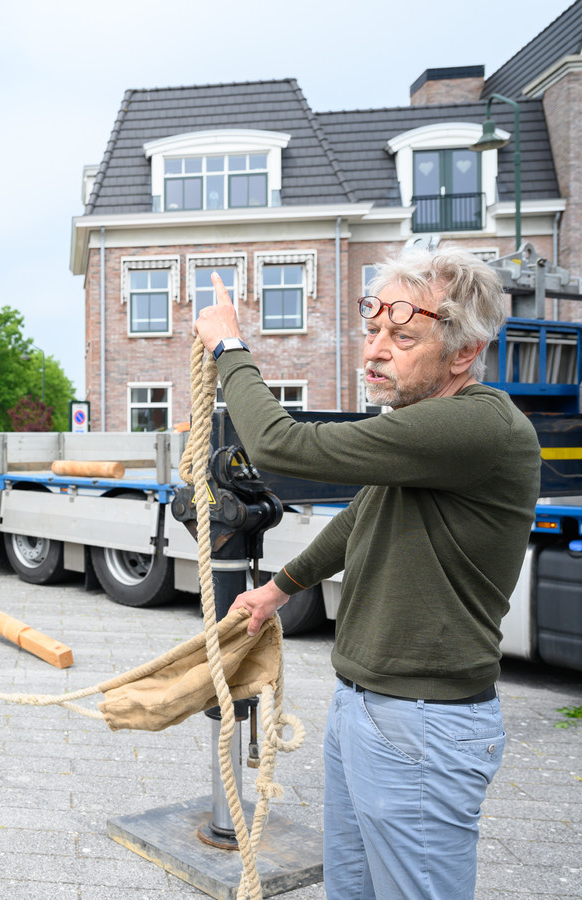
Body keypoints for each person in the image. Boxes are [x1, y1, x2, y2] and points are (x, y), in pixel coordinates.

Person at [194, 245, 540, 900]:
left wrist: (228, 347)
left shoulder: (474, 427)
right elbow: (363, 518)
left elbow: (278, 444)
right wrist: (278, 588)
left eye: (403, 337)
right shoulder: (420, 431)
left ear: (463, 353)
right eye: (374, 331)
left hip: (424, 723)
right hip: (364, 705)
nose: (374, 351)